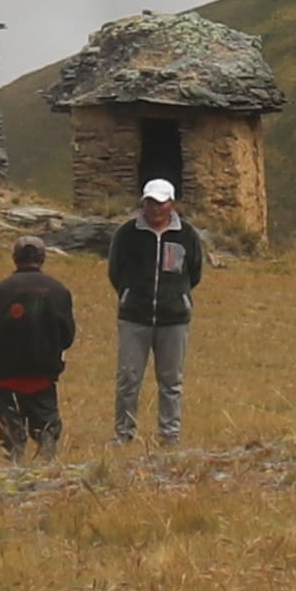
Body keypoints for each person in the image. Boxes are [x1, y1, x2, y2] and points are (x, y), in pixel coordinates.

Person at [102, 174, 206, 445]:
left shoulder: (187, 235)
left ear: (172, 204)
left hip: (174, 319)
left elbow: (194, 272)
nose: (155, 208)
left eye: (160, 203)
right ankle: (124, 434)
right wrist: (129, 294)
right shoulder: (127, 234)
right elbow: (115, 270)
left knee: (171, 381)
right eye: (150, 202)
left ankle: (169, 435)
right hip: (134, 318)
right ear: (143, 203)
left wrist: (178, 296)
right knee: (128, 378)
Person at [0, 235, 78, 456]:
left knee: (10, 430)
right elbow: (68, 336)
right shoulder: (59, 291)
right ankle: (48, 460)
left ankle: (14, 457)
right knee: (46, 426)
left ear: (15, 258)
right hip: (43, 372)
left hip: (2, 374)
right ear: (43, 258)